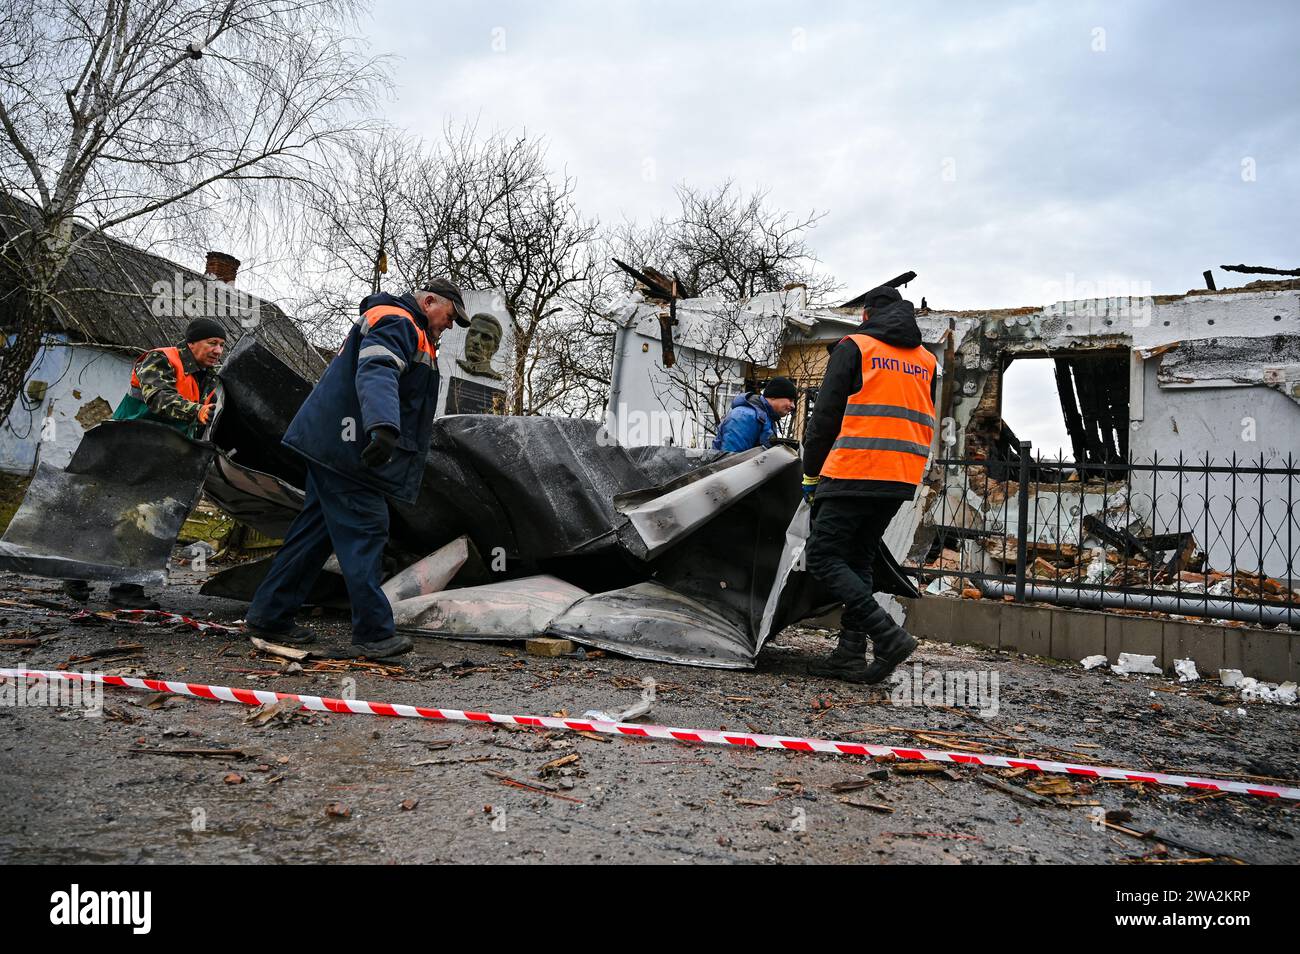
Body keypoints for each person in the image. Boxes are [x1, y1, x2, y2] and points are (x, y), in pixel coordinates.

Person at [243, 281, 470, 658]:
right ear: (429, 301)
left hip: (333, 446)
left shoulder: (405, 326)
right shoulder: (399, 322)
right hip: (351, 451)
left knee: (313, 535)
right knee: (366, 529)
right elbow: (377, 369)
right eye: (449, 317)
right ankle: (373, 633)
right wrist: (383, 426)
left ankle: (270, 615)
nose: (449, 326)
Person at [801, 286, 937, 683]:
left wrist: (811, 473)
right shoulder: (926, 360)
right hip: (900, 475)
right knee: (858, 559)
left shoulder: (855, 347)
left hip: (854, 468)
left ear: (867, 314)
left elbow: (824, 417)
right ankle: (848, 654)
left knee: (824, 557)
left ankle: (888, 636)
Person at [63, 318, 226, 610]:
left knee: (151, 518)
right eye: (212, 343)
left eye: (222, 345)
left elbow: (204, 418)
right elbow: (159, 398)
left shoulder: (210, 378)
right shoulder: (161, 359)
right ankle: (75, 572)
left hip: (165, 456)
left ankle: (127, 589)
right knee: (107, 512)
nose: (218, 350)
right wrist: (195, 411)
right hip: (126, 447)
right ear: (192, 342)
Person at [712, 376, 797, 452]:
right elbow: (731, 461)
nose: (793, 406)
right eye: (790, 400)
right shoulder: (745, 416)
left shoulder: (765, 418)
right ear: (774, 396)